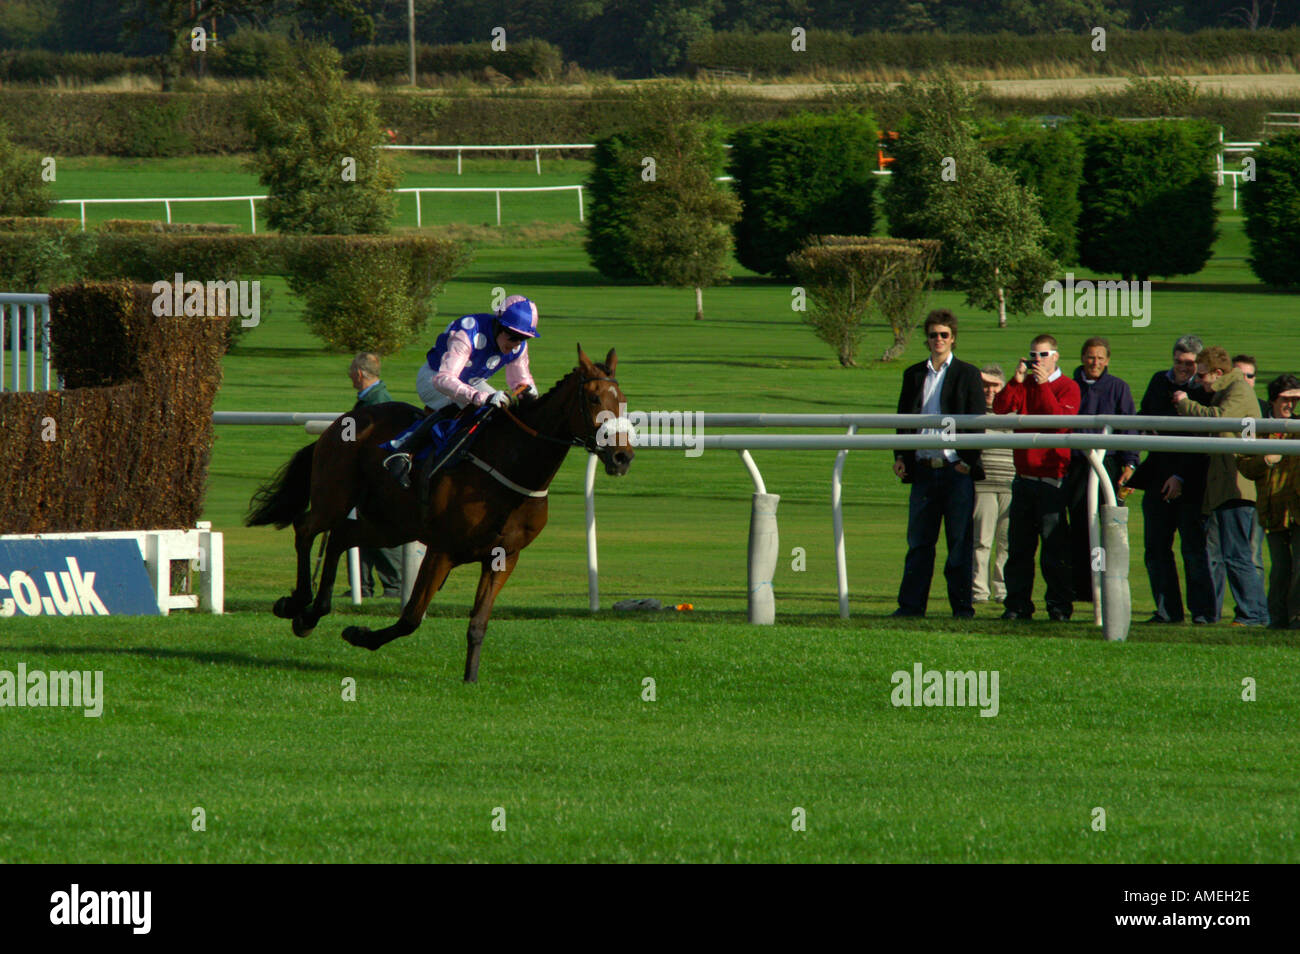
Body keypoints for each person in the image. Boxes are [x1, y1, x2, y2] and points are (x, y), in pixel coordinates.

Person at [382, 296, 541, 488]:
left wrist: (528, 394)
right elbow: (444, 379)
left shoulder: (518, 348)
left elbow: (520, 382)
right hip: (433, 380)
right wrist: (479, 397)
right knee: (472, 407)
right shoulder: (468, 333)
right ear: (499, 326)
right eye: (513, 336)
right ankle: (401, 452)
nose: (516, 343)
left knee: (501, 412)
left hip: (471, 383)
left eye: (523, 338)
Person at [890, 309, 986, 618]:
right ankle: (910, 607)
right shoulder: (914, 374)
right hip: (922, 470)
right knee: (919, 544)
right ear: (927, 339)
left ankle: (961, 608)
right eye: (933, 335)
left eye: (944, 335)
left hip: (955, 472)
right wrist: (901, 457)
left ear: (953, 338)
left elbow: (976, 422)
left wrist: (966, 462)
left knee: (959, 544)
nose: (939, 340)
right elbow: (903, 419)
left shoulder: (967, 374)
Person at [1172, 346, 1269, 626]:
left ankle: (1254, 614)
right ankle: (1250, 613)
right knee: (1229, 553)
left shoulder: (1238, 390)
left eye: (1202, 375)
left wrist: (1184, 404)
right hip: (1227, 485)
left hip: (1238, 486)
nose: (1199, 380)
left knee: (1237, 554)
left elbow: (1218, 419)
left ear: (1217, 373)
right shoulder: (1230, 390)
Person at [1127, 335, 1216, 624]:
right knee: (1155, 548)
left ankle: (1202, 613)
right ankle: (1167, 611)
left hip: (1191, 480)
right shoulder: (1158, 381)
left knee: (1193, 549)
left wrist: (1179, 476)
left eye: (1189, 363)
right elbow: (1147, 417)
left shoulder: (1204, 390)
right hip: (1157, 475)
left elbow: (1202, 437)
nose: (1182, 368)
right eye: (1178, 361)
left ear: (1198, 364)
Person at [992, 333, 1080, 622]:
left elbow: (1055, 421)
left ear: (1055, 356)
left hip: (1052, 479)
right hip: (1024, 477)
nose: (1037, 361)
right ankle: (1017, 605)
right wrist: (1016, 381)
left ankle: (1058, 607)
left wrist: (1042, 386)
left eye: (1042, 355)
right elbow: (1001, 407)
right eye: (1033, 356)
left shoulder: (1068, 387)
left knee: (1054, 550)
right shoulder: (1025, 383)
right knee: (1019, 549)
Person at [1066, 337, 1138, 602]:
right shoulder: (1069, 386)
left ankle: (1106, 585)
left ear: (1107, 360)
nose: (1094, 362)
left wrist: (1130, 463)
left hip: (1108, 463)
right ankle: (1082, 588)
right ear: (1082, 358)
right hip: (1076, 464)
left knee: (1105, 525)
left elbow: (1129, 426)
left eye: (1099, 358)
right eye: (1089, 357)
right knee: (1079, 525)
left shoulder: (1118, 388)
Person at [1237, 374, 1300, 629]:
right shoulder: (1255, 426)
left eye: (1295, 400)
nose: (1291, 406)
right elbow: (1243, 464)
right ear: (1274, 400)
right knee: (1280, 569)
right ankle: (1277, 620)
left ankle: (1296, 620)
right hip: (1272, 508)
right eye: (1286, 400)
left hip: (1297, 509)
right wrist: (1265, 460)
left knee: (1299, 569)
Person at [348, 353, 402, 598]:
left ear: (359, 374)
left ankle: (394, 585)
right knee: (360, 529)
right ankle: (362, 587)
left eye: (351, 372)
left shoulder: (375, 402)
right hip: (368, 477)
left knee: (375, 529)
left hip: (374, 479)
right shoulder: (373, 399)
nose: (349, 376)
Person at [972, 364, 1014, 603]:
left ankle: (1002, 590)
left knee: (1005, 541)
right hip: (984, 484)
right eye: (986, 386)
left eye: (995, 386)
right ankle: (979, 591)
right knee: (982, 540)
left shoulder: (1013, 413)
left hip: (1009, 481)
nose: (990, 391)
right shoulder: (973, 413)